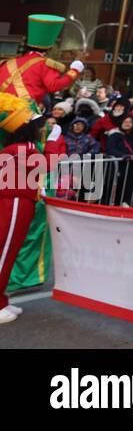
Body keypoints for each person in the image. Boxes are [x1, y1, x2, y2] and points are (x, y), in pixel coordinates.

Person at [0, 96, 44, 324]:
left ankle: (2, 299)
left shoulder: (16, 148)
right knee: (4, 253)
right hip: (14, 203)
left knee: (8, 253)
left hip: (17, 203)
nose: (40, 127)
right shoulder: (23, 149)